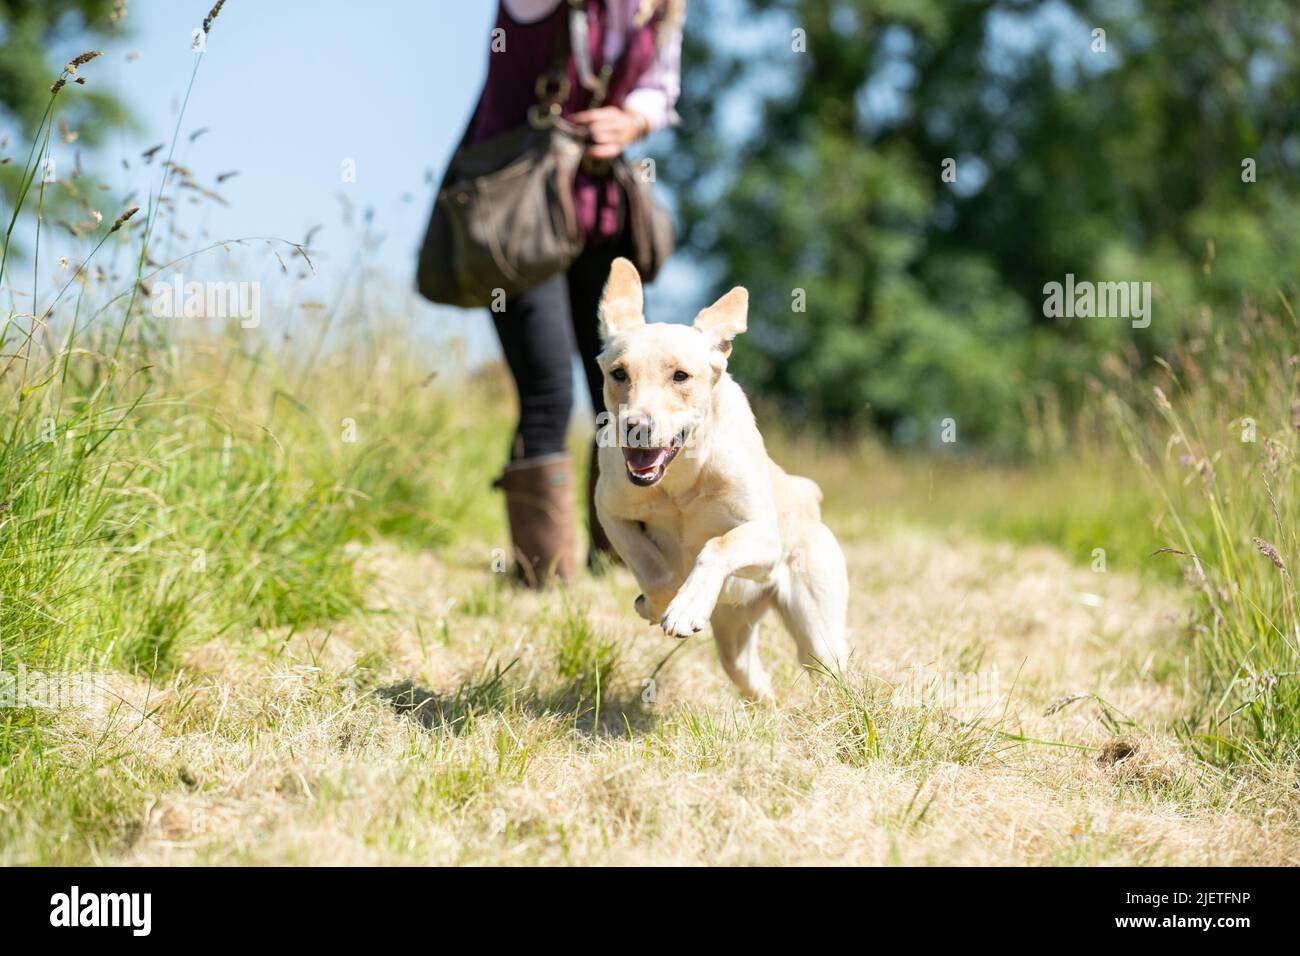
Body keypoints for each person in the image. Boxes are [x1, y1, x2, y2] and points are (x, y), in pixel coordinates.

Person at [469, 0, 684, 586]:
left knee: (617, 388)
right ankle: (544, 577)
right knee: (548, 393)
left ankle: (616, 559)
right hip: (517, 220)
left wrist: (631, 122)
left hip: (597, 216)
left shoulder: (661, 10)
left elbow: (661, 91)